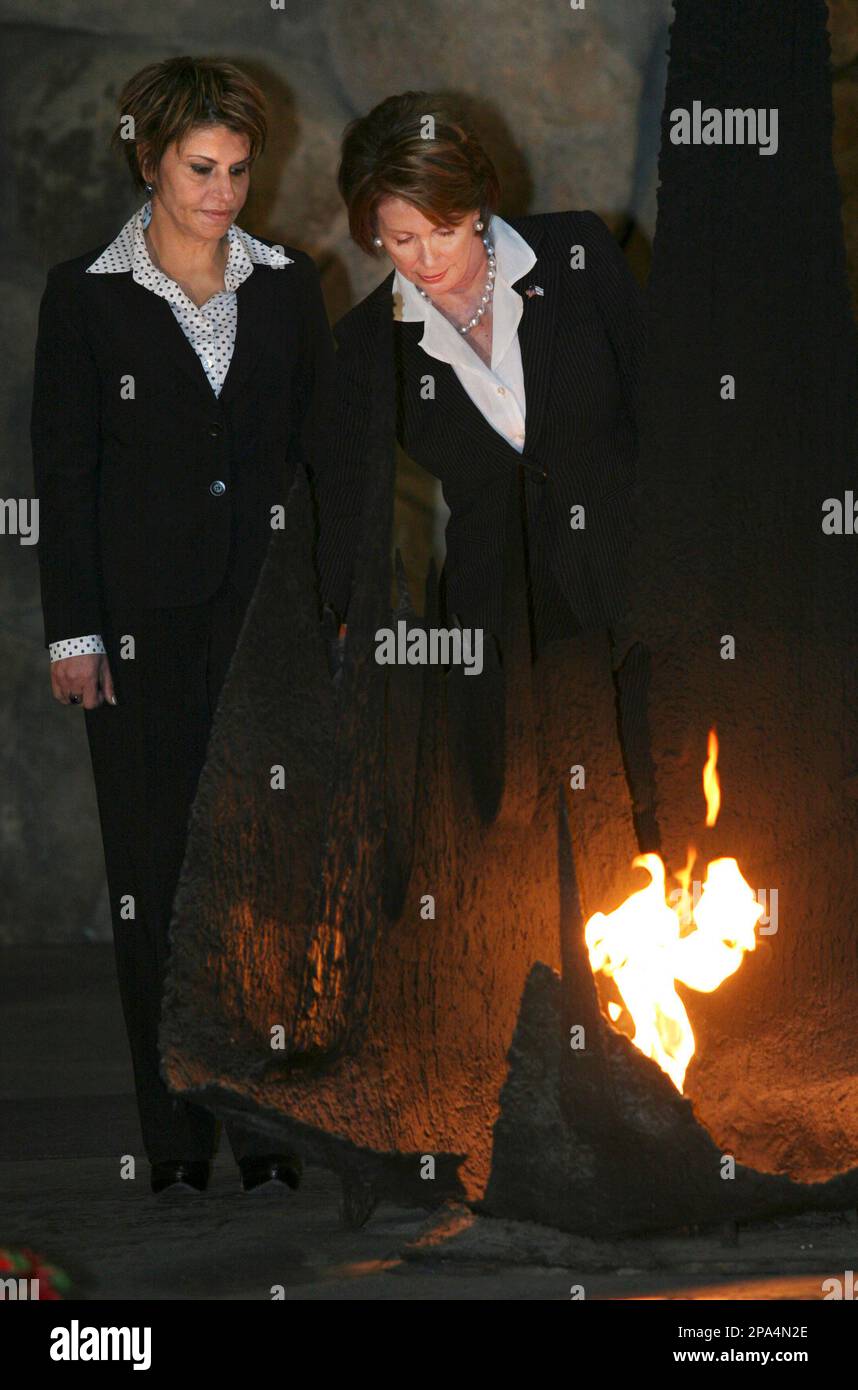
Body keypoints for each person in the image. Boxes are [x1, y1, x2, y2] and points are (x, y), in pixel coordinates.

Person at [31, 56, 334, 1195]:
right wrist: (75, 634)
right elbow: (63, 476)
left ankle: (263, 1128)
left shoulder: (291, 285)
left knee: (259, 874)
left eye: (240, 170)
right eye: (201, 168)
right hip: (139, 631)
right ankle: (172, 1140)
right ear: (148, 158)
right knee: (153, 881)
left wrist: (326, 610)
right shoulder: (86, 295)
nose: (223, 192)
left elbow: (320, 462)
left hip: (265, 624)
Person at [314, 90, 645, 668]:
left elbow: (664, 404)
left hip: (643, 582)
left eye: (443, 229)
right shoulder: (367, 344)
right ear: (372, 232)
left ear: (476, 206)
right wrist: (334, 617)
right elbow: (345, 496)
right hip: (502, 630)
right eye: (401, 239)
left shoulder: (576, 250)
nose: (426, 260)